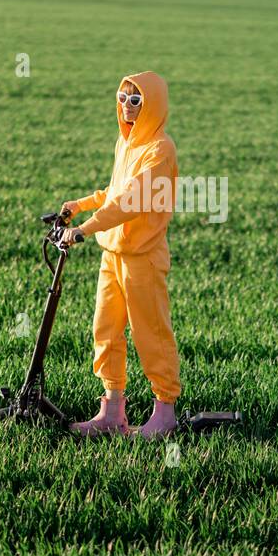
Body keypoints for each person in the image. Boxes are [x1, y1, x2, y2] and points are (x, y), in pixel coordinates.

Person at [59, 71, 181, 439]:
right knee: (105, 330)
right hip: (111, 255)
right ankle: (112, 412)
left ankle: (165, 413)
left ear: (153, 104)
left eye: (136, 100)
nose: (127, 107)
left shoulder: (160, 150)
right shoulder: (125, 143)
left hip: (142, 257)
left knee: (150, 334)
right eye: (123, 98)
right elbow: (114, 193)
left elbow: (132, 201)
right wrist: (77, 206)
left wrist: (85, 228)